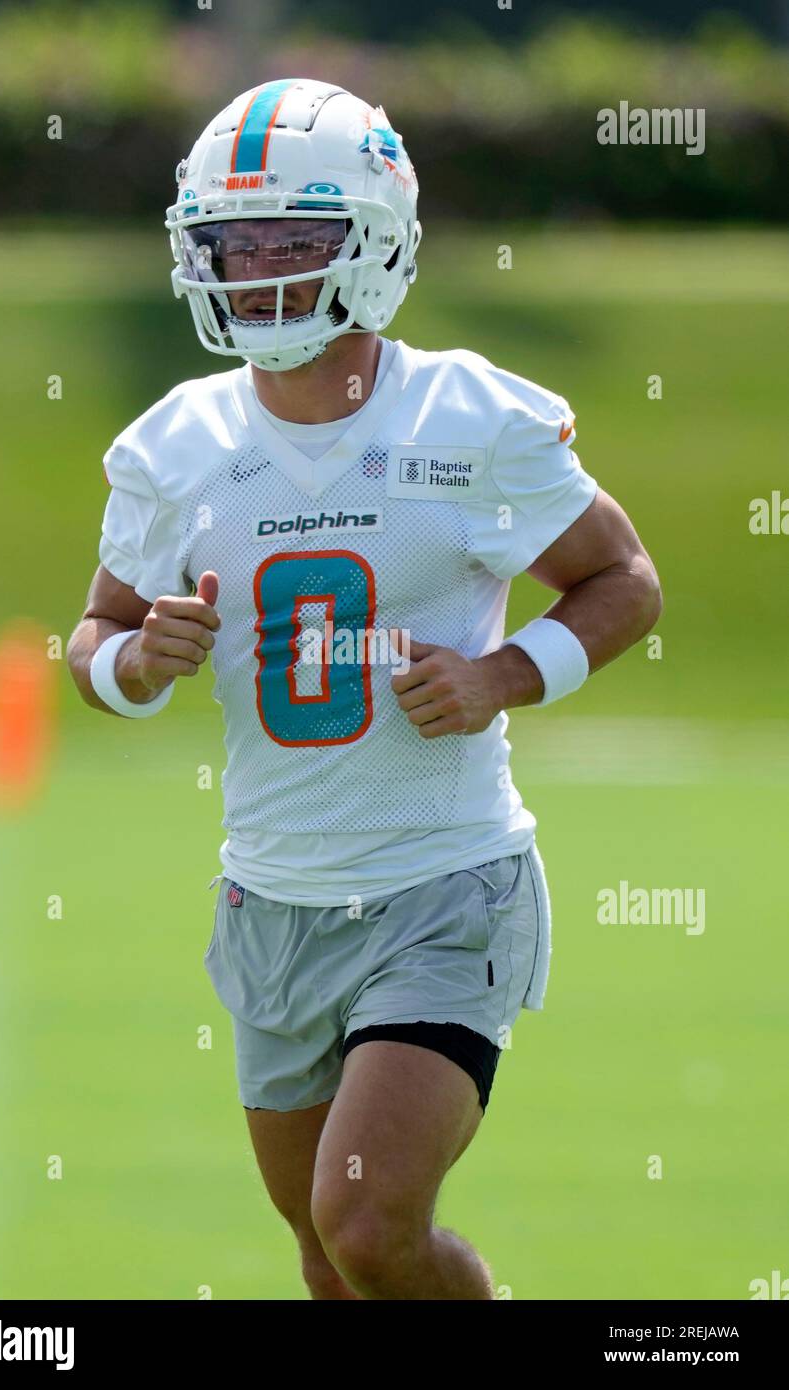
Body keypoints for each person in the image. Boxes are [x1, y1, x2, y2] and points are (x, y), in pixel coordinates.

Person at [67, 78, 662, 1300]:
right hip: (272, 901)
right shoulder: (177, 445)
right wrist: (132, 665)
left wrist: (504, 673)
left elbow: (622, 580)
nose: (256, 269)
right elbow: (93, 637)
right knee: (326, 1262)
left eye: (293, 238)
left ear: (375, 242)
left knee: (367, 1221)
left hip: (439, 888)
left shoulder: (465, 416)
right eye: (232, 243)